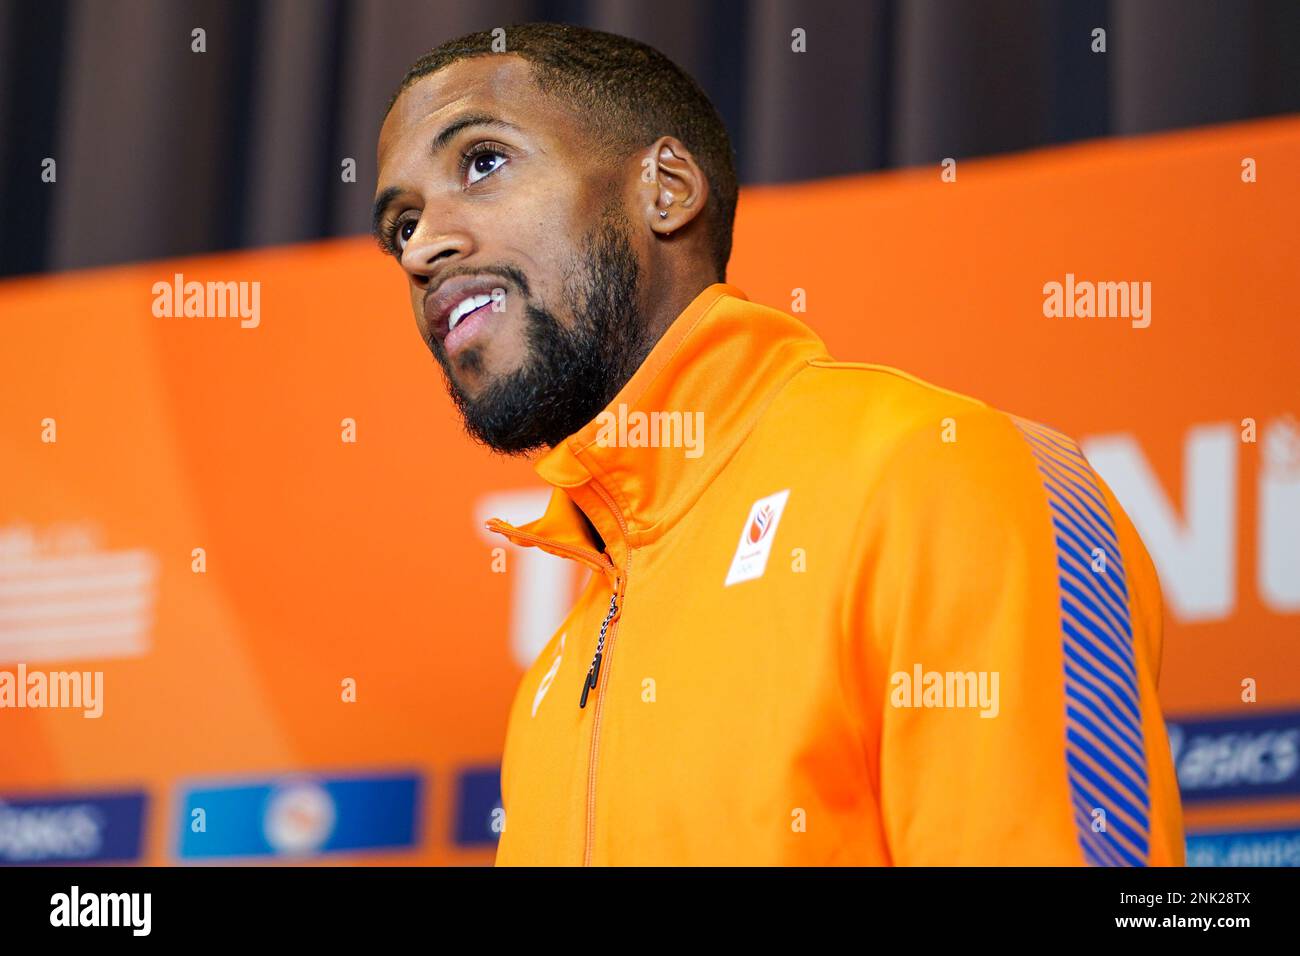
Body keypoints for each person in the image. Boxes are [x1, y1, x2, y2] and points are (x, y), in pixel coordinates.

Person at [374, 22, 1185, 866]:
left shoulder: (944, 472)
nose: (423, 248)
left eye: (483, 163)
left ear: (667, 189)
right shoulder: (552, 680)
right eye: (400, 225)